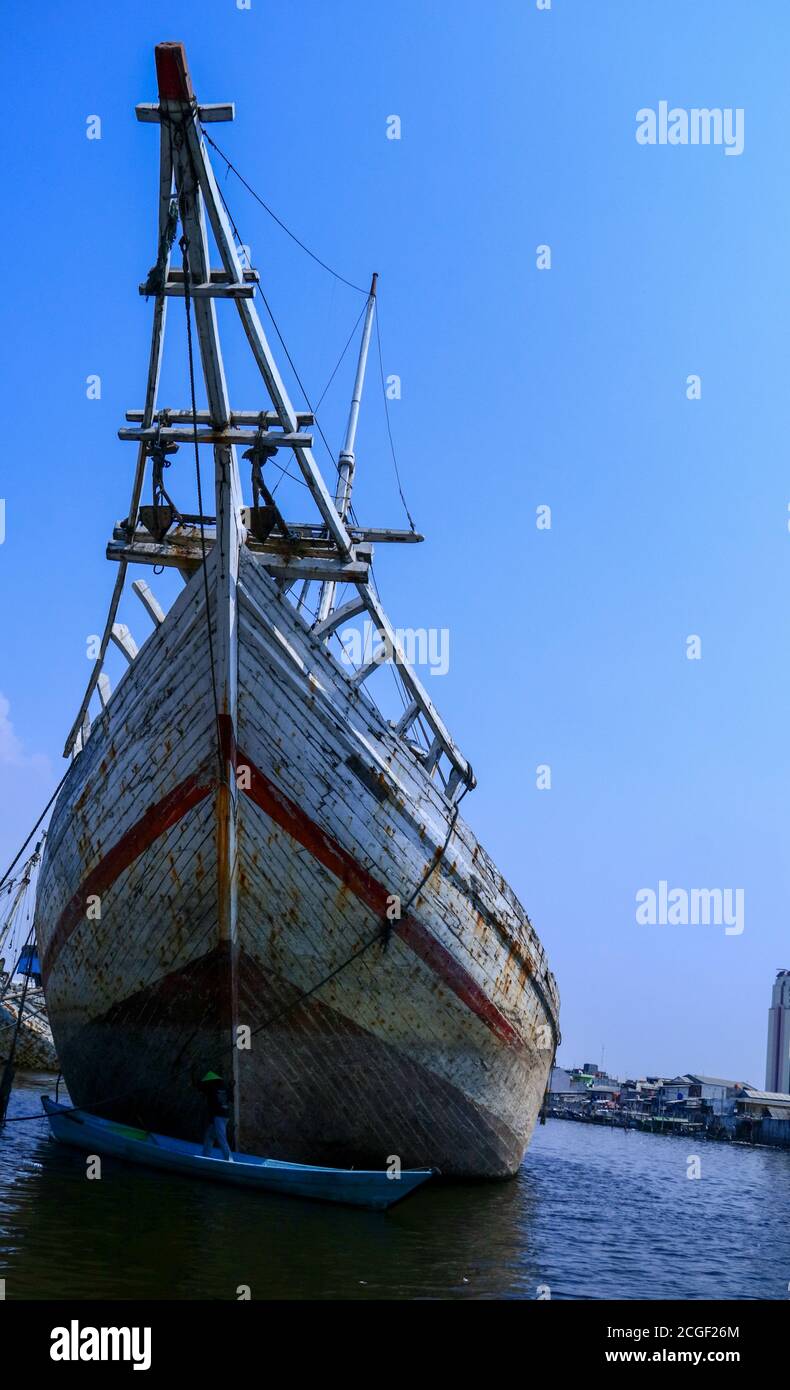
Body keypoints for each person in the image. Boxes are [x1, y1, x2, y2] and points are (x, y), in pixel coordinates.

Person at [198, 1070, 233, 1160]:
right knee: (210, 1136)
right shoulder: (224, 1087)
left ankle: (229, 1160)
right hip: (225, 1115)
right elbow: (231, 1099)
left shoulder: (211, 1088)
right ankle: (205, 1157)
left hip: (219, 1116)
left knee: (221, 1138)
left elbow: (200, 1087)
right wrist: (231, 1087)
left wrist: (193, 1076)